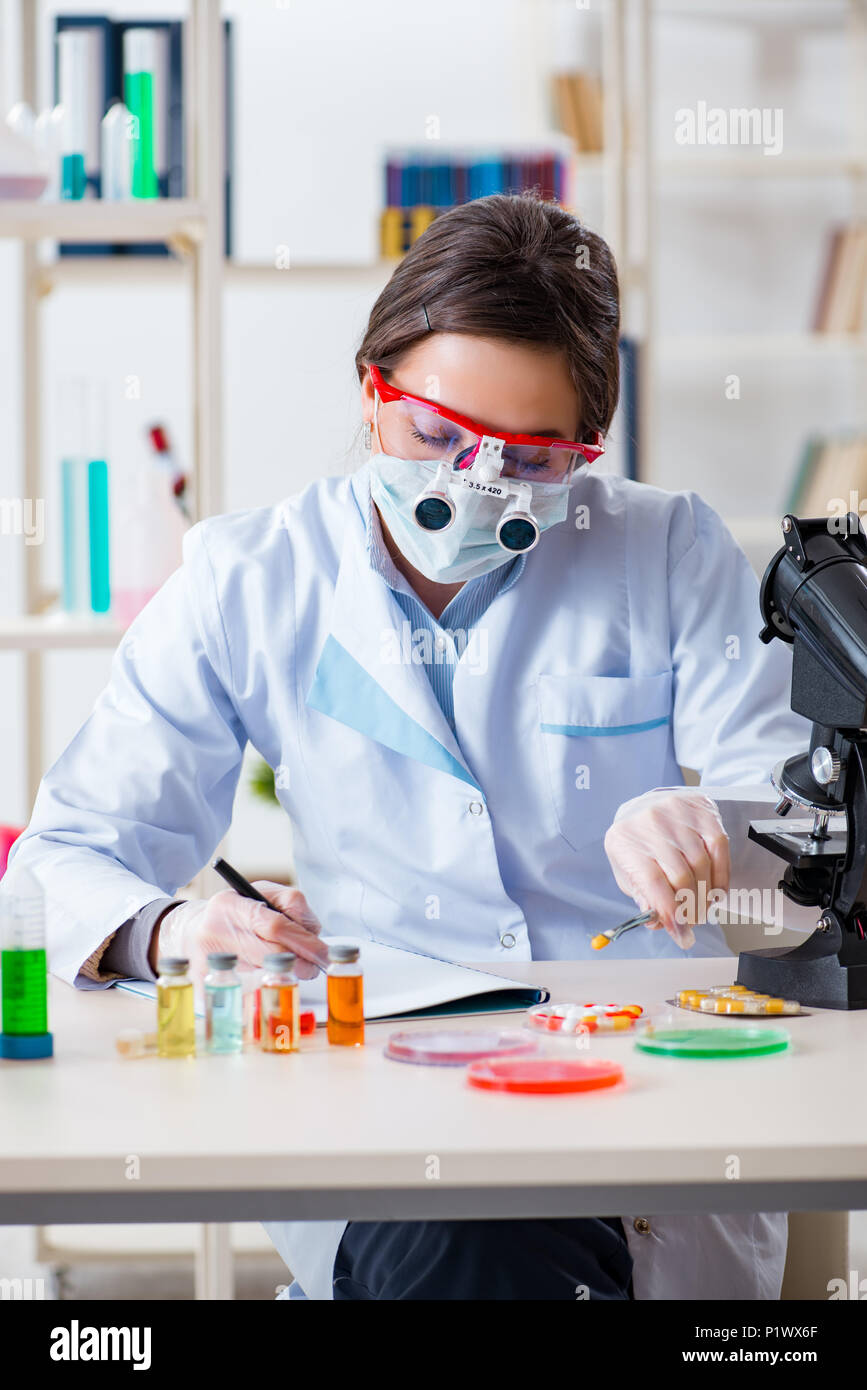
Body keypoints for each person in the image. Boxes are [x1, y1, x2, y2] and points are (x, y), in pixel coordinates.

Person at [8, 193, 813, 1301]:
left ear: (590, 447)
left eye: (532, 460)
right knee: (460, 1242)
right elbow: (61, 859)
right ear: (369, 385)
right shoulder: (252, 577)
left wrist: (712, 825)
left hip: (632, 1107)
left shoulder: (665, 550)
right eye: (435, 433)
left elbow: (805, 829)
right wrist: (174, 926)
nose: (473, 485)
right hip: (377, 1111)